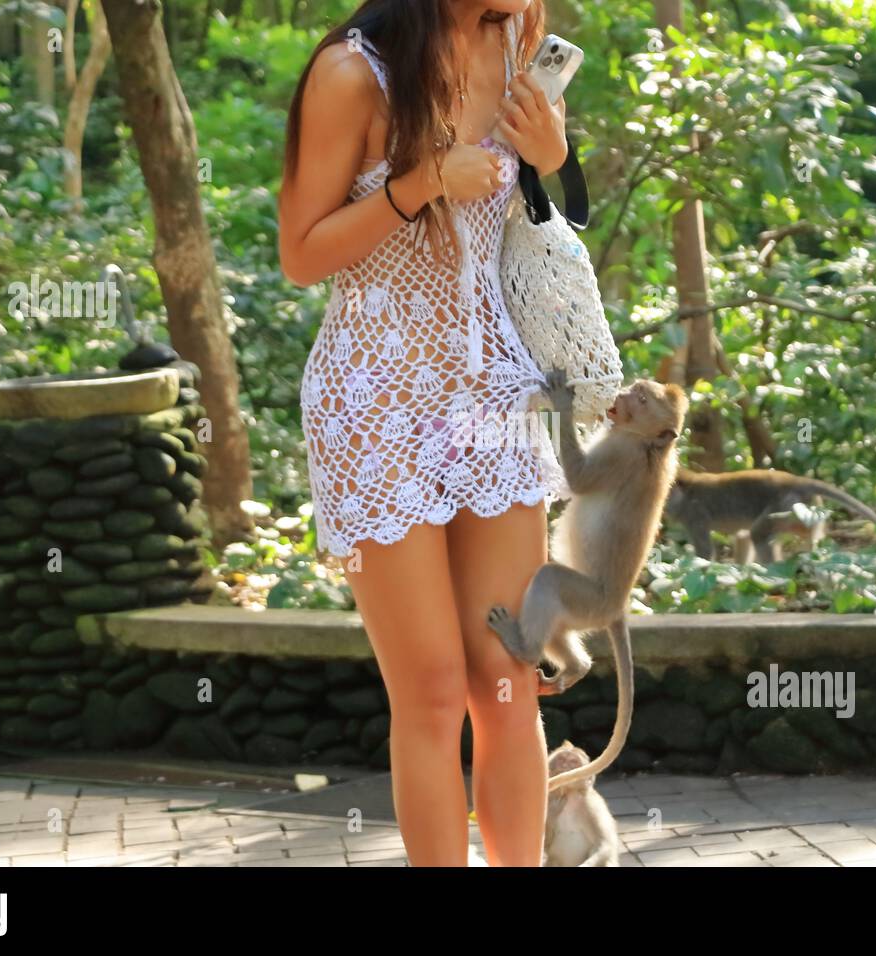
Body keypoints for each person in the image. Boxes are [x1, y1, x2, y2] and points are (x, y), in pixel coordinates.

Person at [278, 0, 571, 866]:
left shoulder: (516, 41)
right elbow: (301, 253)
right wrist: (422, 182)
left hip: (494, 396)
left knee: (509, 678)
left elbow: (529, 227)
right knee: (436, 692)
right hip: (375, 406)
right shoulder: (350, 74)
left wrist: (551, 157)